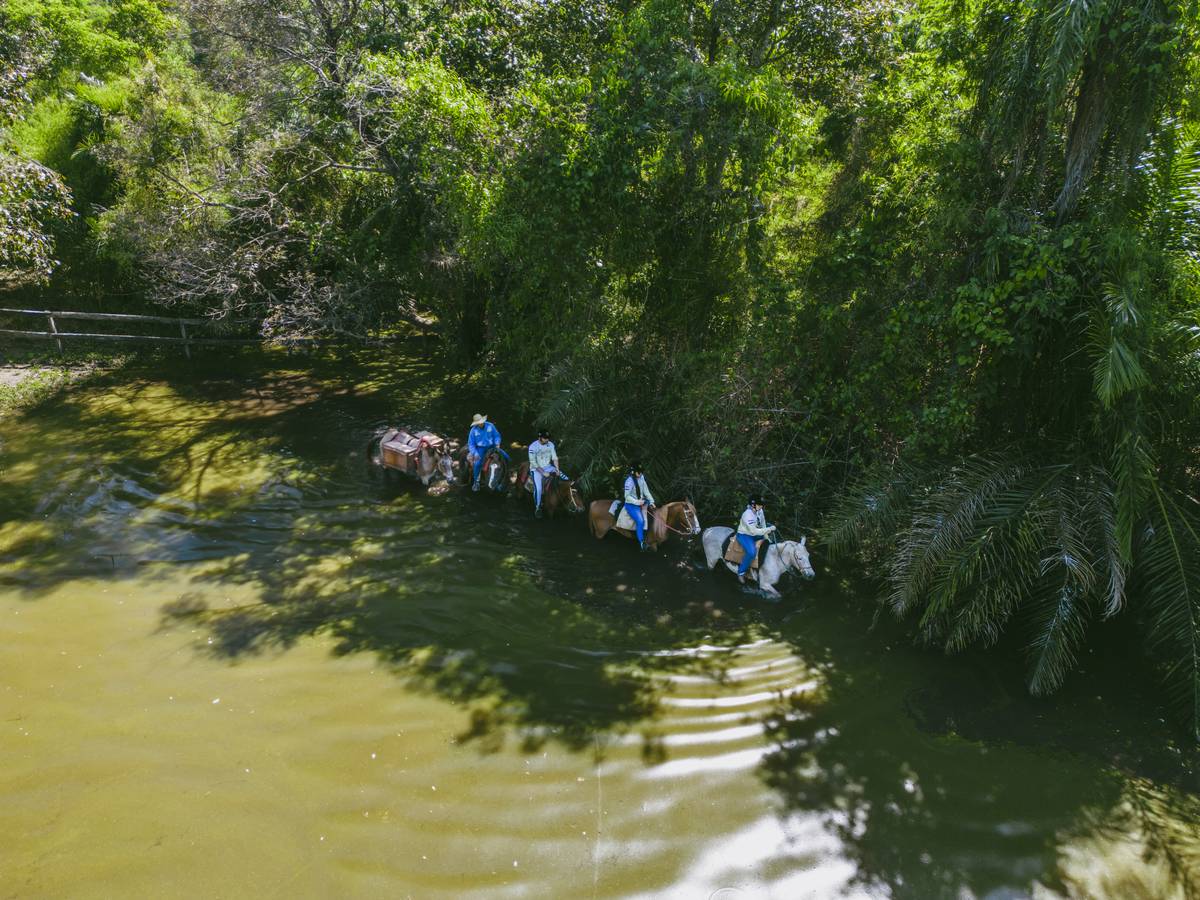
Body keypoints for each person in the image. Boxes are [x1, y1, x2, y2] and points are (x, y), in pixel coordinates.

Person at [736, 496, 776, 583]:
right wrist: (769, 529)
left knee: (771, 538)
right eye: (759, 505)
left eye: (762, 505)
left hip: (756, 532)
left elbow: (763, 523)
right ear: (753, 505)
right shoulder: (747, 514)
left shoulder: (759, 510)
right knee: (751, 552)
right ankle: (741, 572)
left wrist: (766, 536)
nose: (761, 507)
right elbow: (753, 532)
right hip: (745, 535)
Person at [527, 429, 565, 517]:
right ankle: (537, 508)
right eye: (545, 438)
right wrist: (543, 473)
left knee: (565, 477)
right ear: (539, 438)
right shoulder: (533, 447)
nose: (547, 440)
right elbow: (533, 462)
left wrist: (557, 469)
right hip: (536, 469)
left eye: (548, 438)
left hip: (548, 467)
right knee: (539, 489)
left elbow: (555, 458)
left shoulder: (550, 444)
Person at [467, 413, 509, 490]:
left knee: (506, 457)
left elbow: (497, 435)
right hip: (480, 448)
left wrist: (497, 443)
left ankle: (505, 476)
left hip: (493, 446)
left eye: (481, 422)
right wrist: (475, 453)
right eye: (479, 423)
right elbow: (471, 444)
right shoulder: (473, 431)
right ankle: (476, 482)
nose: (481, 424)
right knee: (477, 464)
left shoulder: (490, 425)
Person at [619, 462, 656, 550]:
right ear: (633, 472)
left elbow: (646, 491)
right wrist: (637, 502)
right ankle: (642, 542)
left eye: (641, 472)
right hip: (632, 504)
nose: (641, 474)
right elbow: (627, 497)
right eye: (639, 472)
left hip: (642, 501)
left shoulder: (641, 477)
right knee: (640, 521)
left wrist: (651, 501)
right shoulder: (629, 482)